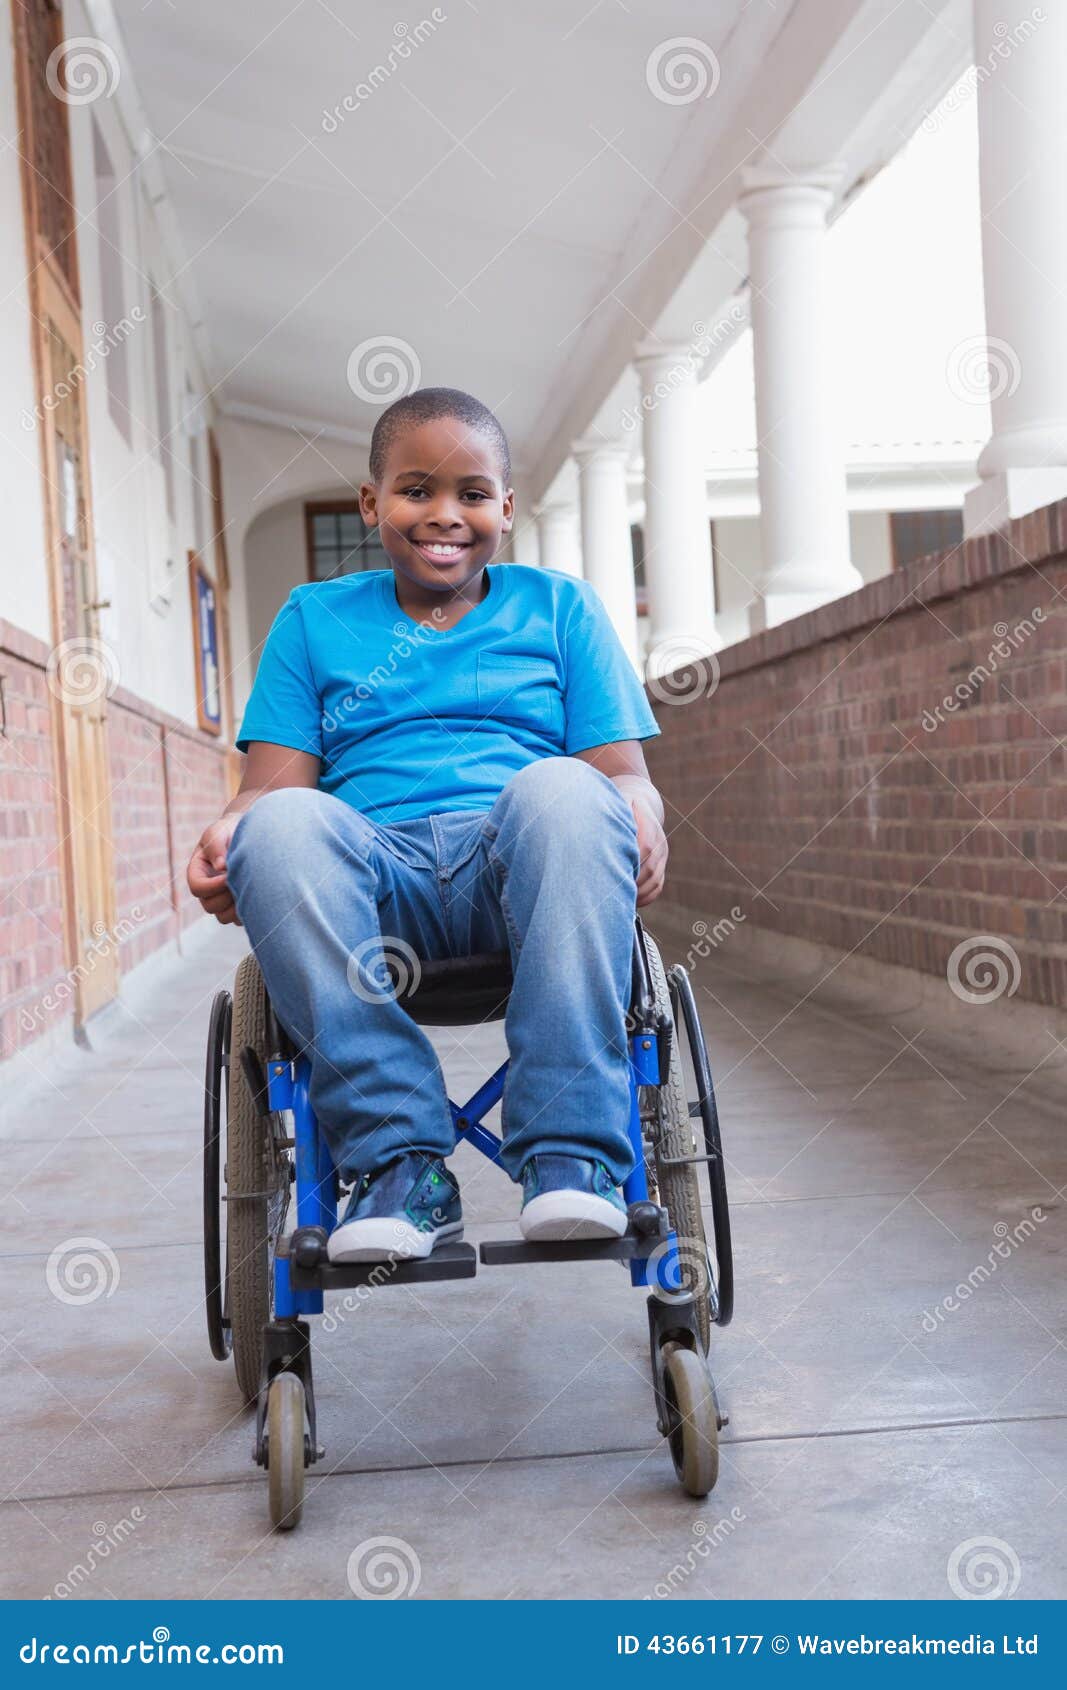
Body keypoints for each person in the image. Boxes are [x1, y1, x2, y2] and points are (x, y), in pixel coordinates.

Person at [187, 388, 666, 1263]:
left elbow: (620, 774)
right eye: (415, 490)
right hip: (375, 888)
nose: (444, 516)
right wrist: (235, 833)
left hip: (521, 867)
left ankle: (569, 1153)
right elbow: (272, 790)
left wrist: (637, 812)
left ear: (506, 511)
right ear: (372, 503)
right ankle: (400, 1163)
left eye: (472, 495)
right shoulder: (313, 618)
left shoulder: (560, 609)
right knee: (283, 826)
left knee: (563, 788)